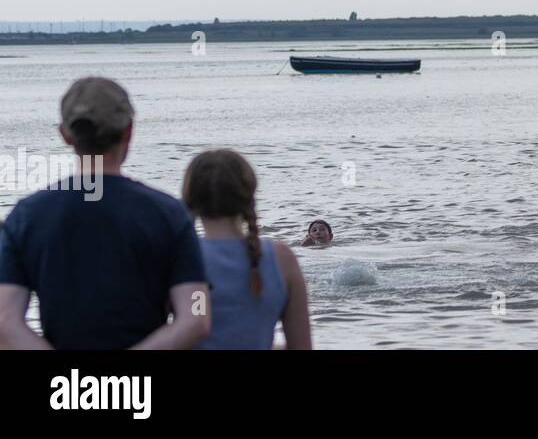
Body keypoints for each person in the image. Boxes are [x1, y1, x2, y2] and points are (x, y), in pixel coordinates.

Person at [0, 77, 211, 349]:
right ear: (129, 131)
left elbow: (6, 320)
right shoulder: (169, 214)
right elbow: (197, 317)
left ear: (64, 135)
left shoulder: (26, 217)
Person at [183, 149, 312, 350]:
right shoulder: (282, 258)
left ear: (190, 197)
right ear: (249, 194)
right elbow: (302, 347)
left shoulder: (179, 257)